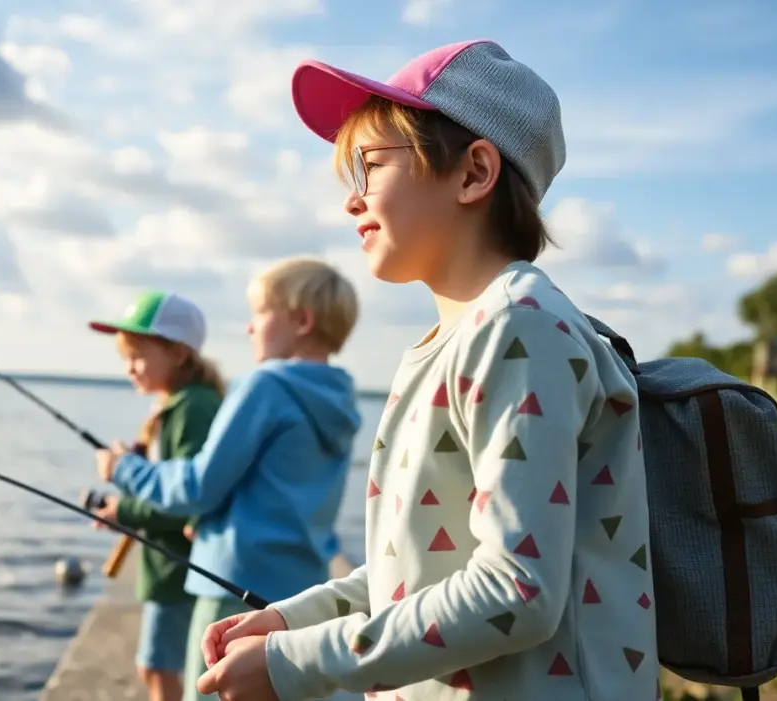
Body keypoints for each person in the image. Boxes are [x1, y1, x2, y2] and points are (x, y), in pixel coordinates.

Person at [196, 40, 660, 701]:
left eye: (372, 166)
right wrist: (291, 620)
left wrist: (295, 662)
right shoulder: (455, 340)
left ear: (473, 173)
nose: (351, 201)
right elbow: (417, 569)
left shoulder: (518, 326)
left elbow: (516, 588)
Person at [92, 256, 364, 701]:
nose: (249, 328)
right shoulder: (340, 396)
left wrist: (125, 469)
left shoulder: (265, 387)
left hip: (233, 587)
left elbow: (198, 487)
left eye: (259, 314)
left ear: (301, 320)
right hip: (302, 589)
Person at [87, 289, 225, 701]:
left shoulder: (194, 407)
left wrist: (123, 510)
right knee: (157, 666)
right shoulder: (177, 404)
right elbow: (168, 478)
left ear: (179, 353)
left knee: (160, 668)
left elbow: (187, 499)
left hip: (178, 570)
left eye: (138, 355)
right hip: (167, 567)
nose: (129, 368)